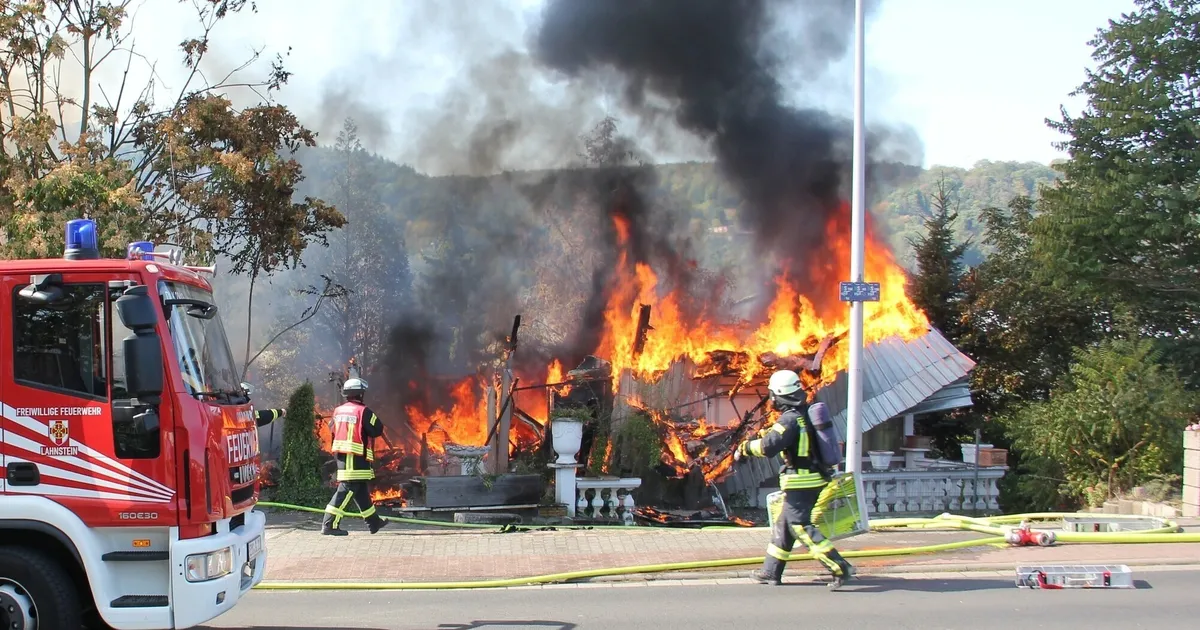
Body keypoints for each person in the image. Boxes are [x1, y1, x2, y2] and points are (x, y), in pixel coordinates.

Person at [734, 369, 854, 587]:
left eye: (772, 394)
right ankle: (771, 572)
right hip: (811, 478)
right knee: (784, 525)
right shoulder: (803, 414)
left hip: (803, 482)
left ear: (778, 395)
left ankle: (839, 567)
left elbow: (768, 447)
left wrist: (744, 448)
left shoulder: (789, 420)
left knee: (799, 525)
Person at [321, 377, 388, 536]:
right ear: (360, 394)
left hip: (343, 456)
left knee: (360, 491)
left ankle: (373, 522)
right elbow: (377, 429)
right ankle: (329, 524)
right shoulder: (363, 411)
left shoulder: (338, 410)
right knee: (347, 489)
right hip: (356, 457)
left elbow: (331, 430)